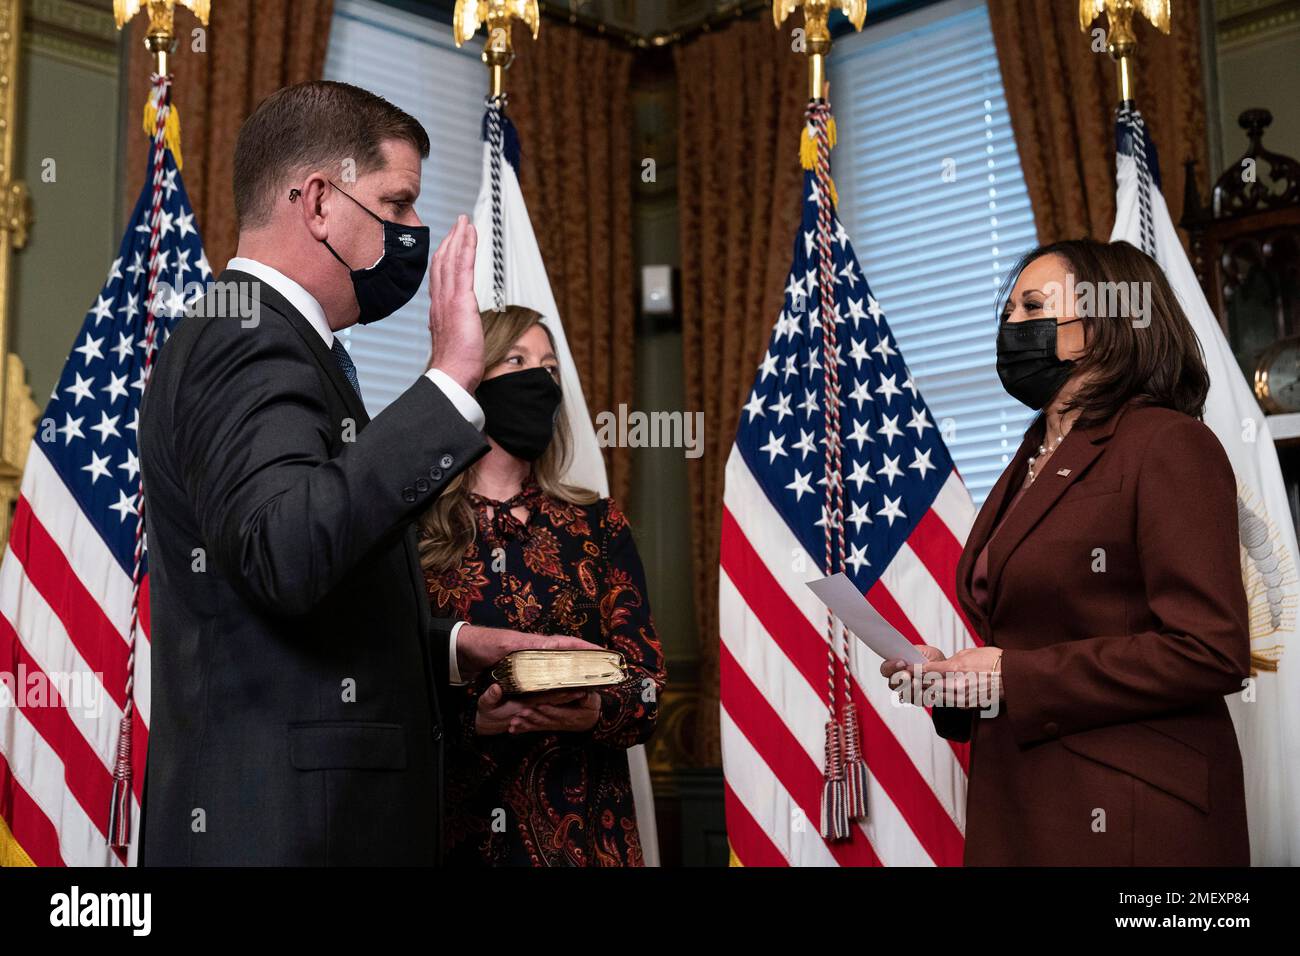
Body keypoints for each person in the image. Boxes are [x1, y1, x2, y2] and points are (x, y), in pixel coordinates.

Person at [139, 81, 598, 866]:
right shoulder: (249, 337)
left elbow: (310, 604)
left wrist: (455, 647)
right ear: (318, 202)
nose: (415, 230)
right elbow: (286, 552)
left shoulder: (277, 337)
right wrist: (451, 381)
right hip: (289, 837)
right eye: (398, 201)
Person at [881, 238, 1252, 866]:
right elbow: (1025, 642)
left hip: (1131, 818)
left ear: (1108, 322)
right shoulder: (1032, 457)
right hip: (1022, 805)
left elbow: (1209, 650)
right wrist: (957, 685)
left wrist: (1010, 675)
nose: (1011, 328)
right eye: (1008, 314)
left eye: (1032, 308)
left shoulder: (1167, 445)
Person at [419, 306, 666, 867]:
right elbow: (384, 676)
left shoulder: (600, 526)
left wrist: (598, 707)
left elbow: (648, 684)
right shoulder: (414, 528)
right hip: (455, 830)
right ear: (470, 377)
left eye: (550, 369)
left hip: (584, 834)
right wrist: (468, 721)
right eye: (517, 360)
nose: (540, 380)